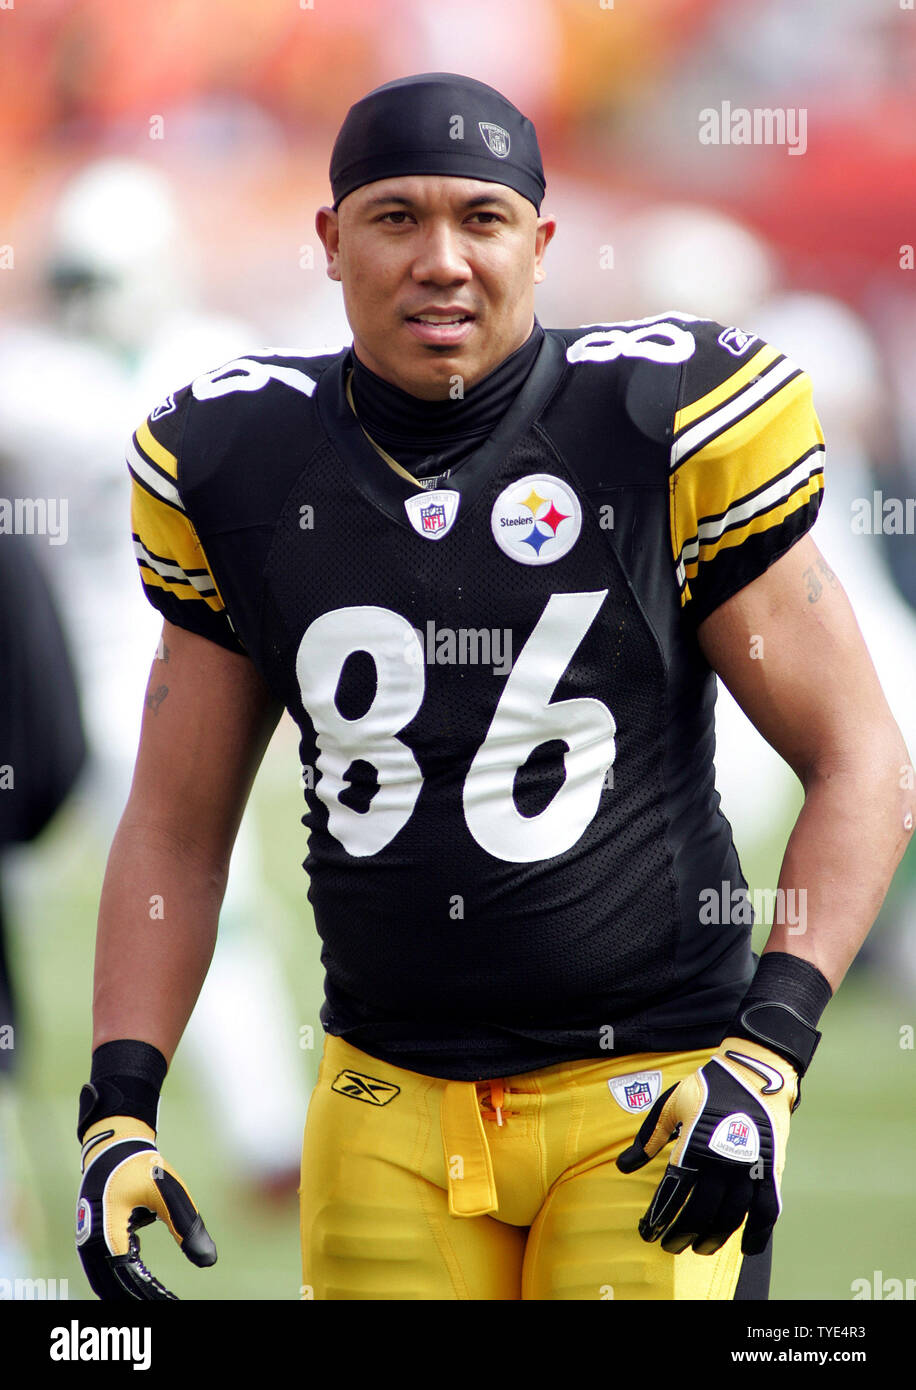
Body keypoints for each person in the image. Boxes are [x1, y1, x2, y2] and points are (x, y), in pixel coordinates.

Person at [74, 72, 912, 1302]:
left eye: (482, 217)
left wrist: (768, 1052)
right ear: (329, 240)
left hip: (652, 1089)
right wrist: (119, 1106)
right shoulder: (236, 457)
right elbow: (175, 823)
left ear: (541, 239)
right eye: (396, 217)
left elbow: (860, 757)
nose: (443, 259)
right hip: (382, 1098)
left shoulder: (655, 421)